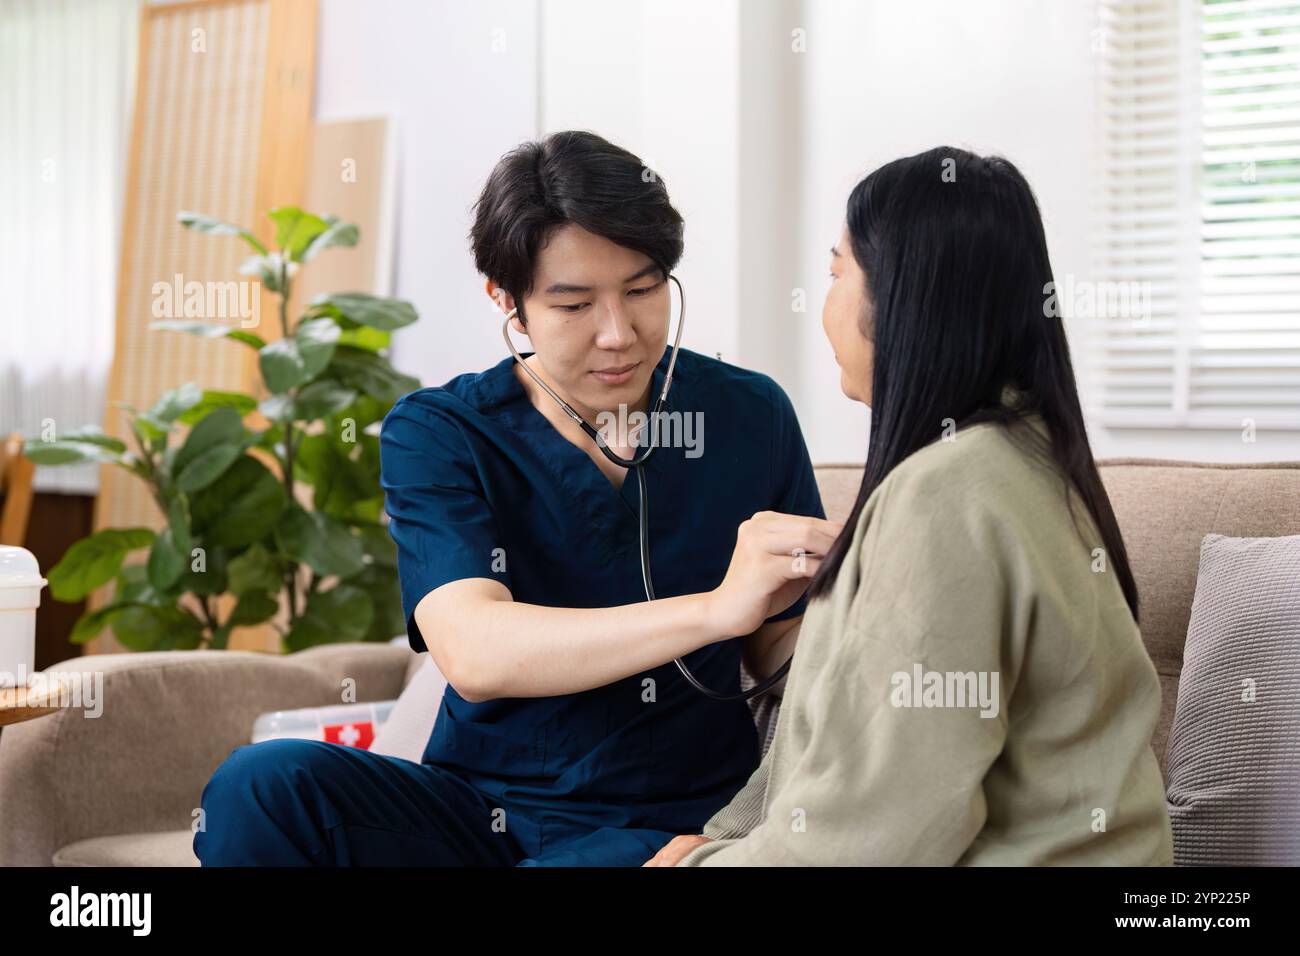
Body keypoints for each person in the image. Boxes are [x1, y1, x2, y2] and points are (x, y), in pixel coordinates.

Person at [192, 130, 839, 866]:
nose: (619, 335)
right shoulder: (442, 431)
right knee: (260, 786)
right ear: (508, 301)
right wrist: (714, 609)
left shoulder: (748, 416)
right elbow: (476, 651)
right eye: (573, 305)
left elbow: (784, 644)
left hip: (663, 825)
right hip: (474, 815)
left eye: (642, 289)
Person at [646, 147, 1174, 867]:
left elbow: (878, 839)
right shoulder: (1022, 460)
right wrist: (719, 847)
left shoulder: (946, 494)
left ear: (900, 300)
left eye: (836, 273)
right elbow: (835, 769)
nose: (825, 305)